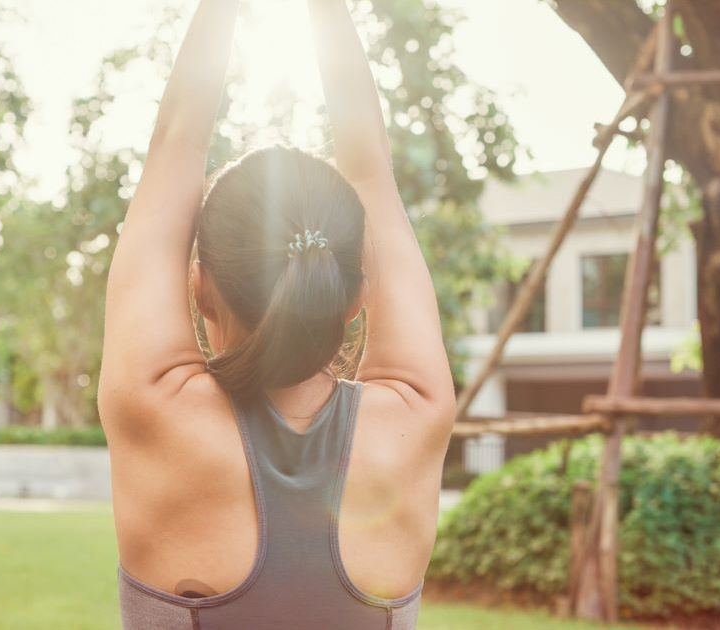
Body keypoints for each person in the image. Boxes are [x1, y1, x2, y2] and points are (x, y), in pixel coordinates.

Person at [97, 0, 454, 627]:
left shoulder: (154, 407)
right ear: (355, 299)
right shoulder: (415, 414)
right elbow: (371, 168)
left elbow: (178, 139)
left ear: (199, 288)